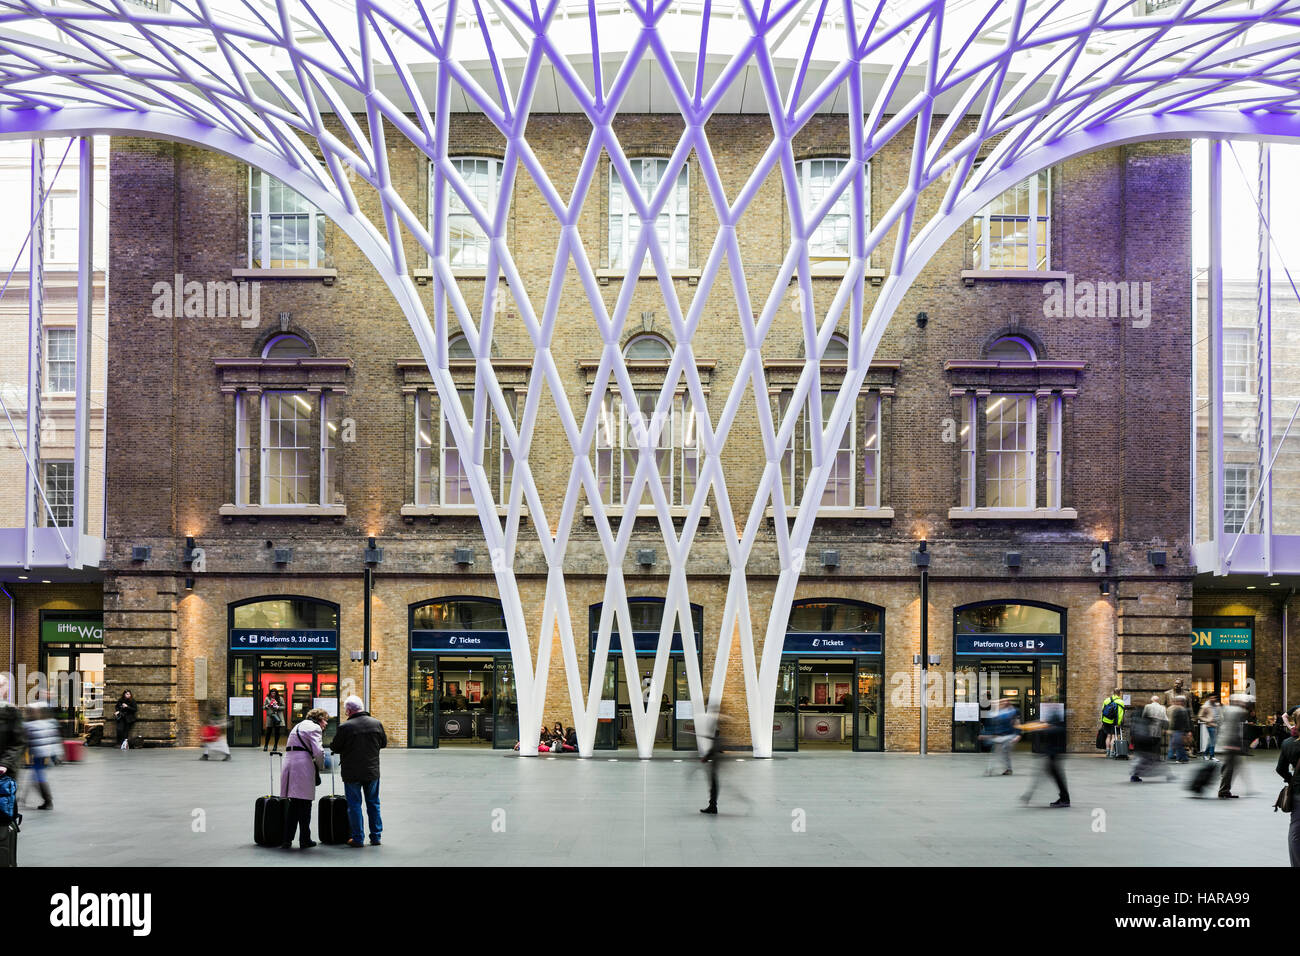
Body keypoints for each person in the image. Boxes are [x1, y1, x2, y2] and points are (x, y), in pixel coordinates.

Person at [329, 695, 387, 847]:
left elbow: (335, 747)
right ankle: (376, 837)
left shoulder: (345, 727)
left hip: (352, 773)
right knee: (373, 804)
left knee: (354, 805)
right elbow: (383, 743)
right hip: (372, 771)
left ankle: (358, 838)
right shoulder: (376, 723)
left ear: (348, 710)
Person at [279, 707, 328, 849]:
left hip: (289, 763)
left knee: (294, 804)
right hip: (302, 765)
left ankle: (287, 839)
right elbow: (318, 752)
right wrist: (322, 766)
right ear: (319, 719)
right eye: (325, 720)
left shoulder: (298, 726)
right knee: (305, 804)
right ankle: (305, 840)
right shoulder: (314, 728)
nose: (325, 724)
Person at [1018, 706, 1070, 808]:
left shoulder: (1057, 728)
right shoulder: (1056, 727)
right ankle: (1064, 798)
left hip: (1053, 756)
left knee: (1051, 778)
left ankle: (1064, 799)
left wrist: (1039, 726)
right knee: (1052, 777)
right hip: (1051, 756)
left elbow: (1047, 731)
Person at [23, 695, 61, 811]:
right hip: (45, 754)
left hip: (38, 754)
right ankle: (24, 798)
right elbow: (53, 740)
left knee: (38, 775)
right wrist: (54, 757)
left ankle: (47, 800)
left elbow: (26, 741)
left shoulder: (29, 725)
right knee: (35, 775)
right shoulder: (48, 723)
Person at [1275, 708, 1300, 867]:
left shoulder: (1287, 743)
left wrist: (1292, 779)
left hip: (1298, 791)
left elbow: (1280, 768)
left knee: (1296, 831)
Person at [0, 675, 26, 814]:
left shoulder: (12, 712)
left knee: (6, 803)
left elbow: (19, 742)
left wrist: (5, 763)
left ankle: (8, 831)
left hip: (6, 770)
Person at [1217, 694, 1251, 799]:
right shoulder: (1235, 711)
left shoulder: (1227, 709)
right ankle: (1223, 791)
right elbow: (1245, 713)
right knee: (1229, 768)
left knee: (1230, 767)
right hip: (1230, 743)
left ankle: (1224, 789)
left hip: (1226, 742)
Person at [1130, 695, 1170, 783]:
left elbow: (1141, 722)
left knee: (1146, 757)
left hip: (1146, 735)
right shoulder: (1162, 708)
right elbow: (1166, 721)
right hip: (1156, 734)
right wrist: (1164, 729)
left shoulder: (1147, 708)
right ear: (1158, 700)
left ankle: (1135, 774)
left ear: (1152, 700)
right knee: (1154, 755)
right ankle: (1167, 774)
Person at [982, 699, 1018, 776]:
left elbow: (1016, 724)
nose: (1002, 704)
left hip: (1009, 736)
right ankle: (989, 770)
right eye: (1001, 703)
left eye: (1004, 702)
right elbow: (991, 724)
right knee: (995, 753)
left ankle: (1008, 769)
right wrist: (987, 734)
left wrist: (1017, 735)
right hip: (999, 736)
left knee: (1005, 754)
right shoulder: (995, 713)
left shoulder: (1011, 711)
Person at [698, 710, 722, 814]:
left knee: (713, 783)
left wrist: (706, 757)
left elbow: (716, 744)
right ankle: (712, 805)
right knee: (713, 783)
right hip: (716, 759)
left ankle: (713, 806)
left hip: (716, 760)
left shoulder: (715, 721)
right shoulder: (716, 721)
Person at [1101, 690, 1126, 759]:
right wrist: (1119, 723)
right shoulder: (1120, 702)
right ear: (1119, 694)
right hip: (1115, 722)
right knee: (1114, 736)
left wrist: (1102, 721)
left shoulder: (1106, 700)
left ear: (1113, 693)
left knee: (1108, 736)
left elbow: (1103, 711)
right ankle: (1112, 752)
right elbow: (1120, 714)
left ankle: (1107, 752)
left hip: (1106, 721)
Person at [1168, 696, 1191, 764]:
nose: (1177, 702)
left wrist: (1171, 729)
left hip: (1178, 730)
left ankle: (1183, 758)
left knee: (1178, 744)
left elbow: (1183, 721)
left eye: (1178, 701)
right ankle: (1181, 758)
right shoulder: (1182, 709)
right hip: (1179, 730)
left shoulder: (1180, 710)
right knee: (1178, 744)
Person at [262, 688, 285, 752]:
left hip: (278, 717)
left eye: (274, 693)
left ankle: (275, 746)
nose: (273, 694)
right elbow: (263, 707)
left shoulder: (280, 698)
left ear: (276, 693)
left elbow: (284, 707)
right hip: (270, 716)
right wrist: (267, 706)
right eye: (272, 693)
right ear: (270, 693)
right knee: (268, 732)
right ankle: (266, 745)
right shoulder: (267, 698)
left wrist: (278, 707)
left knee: (277, 732)